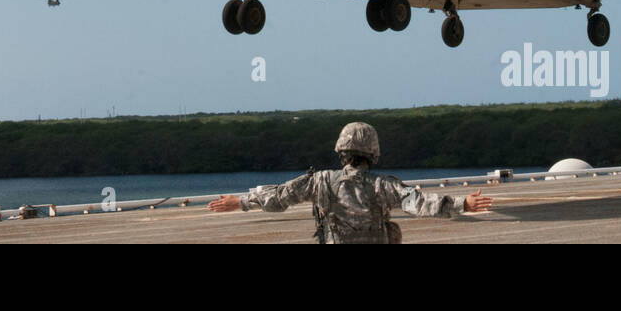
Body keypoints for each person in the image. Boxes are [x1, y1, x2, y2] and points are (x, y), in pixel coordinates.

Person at [206, 121, 493, 243]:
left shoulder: (318, 182)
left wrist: (241, 201)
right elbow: (419, 203)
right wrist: (462, 203)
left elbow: (280, 197)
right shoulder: (383, 185)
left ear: (342, 151)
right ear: (372, 152)